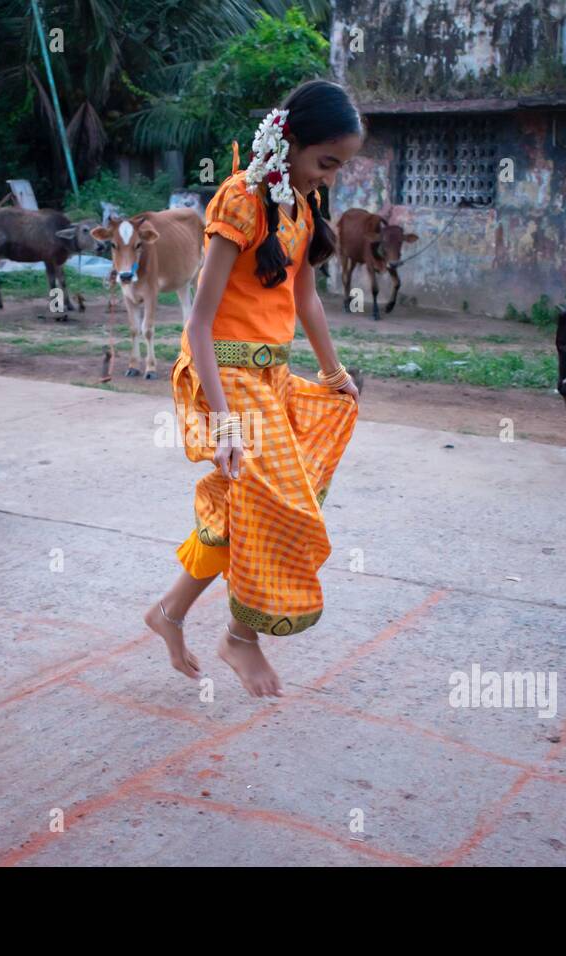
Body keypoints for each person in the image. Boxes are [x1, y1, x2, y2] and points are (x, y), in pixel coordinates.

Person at [145, 79, 366, 697]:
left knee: (241, 510)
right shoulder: (240, 200)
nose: (328, 177)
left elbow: (307, 299)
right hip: (222, 372)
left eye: (338, 167)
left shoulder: (302, 204)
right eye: (325, 162)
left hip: (268, 375)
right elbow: (200, 320)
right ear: (288, 141)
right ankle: (241, 637)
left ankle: (168, 613)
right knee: (284, 506)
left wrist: (334, 373)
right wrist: (222, 423)